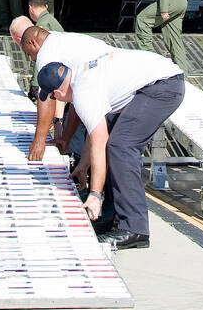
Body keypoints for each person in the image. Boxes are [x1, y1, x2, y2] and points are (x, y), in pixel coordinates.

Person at [38, 47, 185, 250]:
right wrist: (84, 163)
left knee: (122, 146)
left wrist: (95, 194)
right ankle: (110, 216)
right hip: (159, 80)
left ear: (57, 93)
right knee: (114, 141)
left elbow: (99, 140)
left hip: (163, 87)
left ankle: (134, 229)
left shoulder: (83, 92)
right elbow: (97, 129)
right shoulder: (80, 75)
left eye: (55, 98)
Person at [21, 25, 110, 161]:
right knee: (106, 147)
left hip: (108, 87)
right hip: (109, 77)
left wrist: (39, 141)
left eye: (29, 54)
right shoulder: (60, 39)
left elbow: (46, 97)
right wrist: (66, 138)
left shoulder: (46, 54)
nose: (32, 59)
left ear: (33, 43)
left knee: (110, 147)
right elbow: (76, 102)